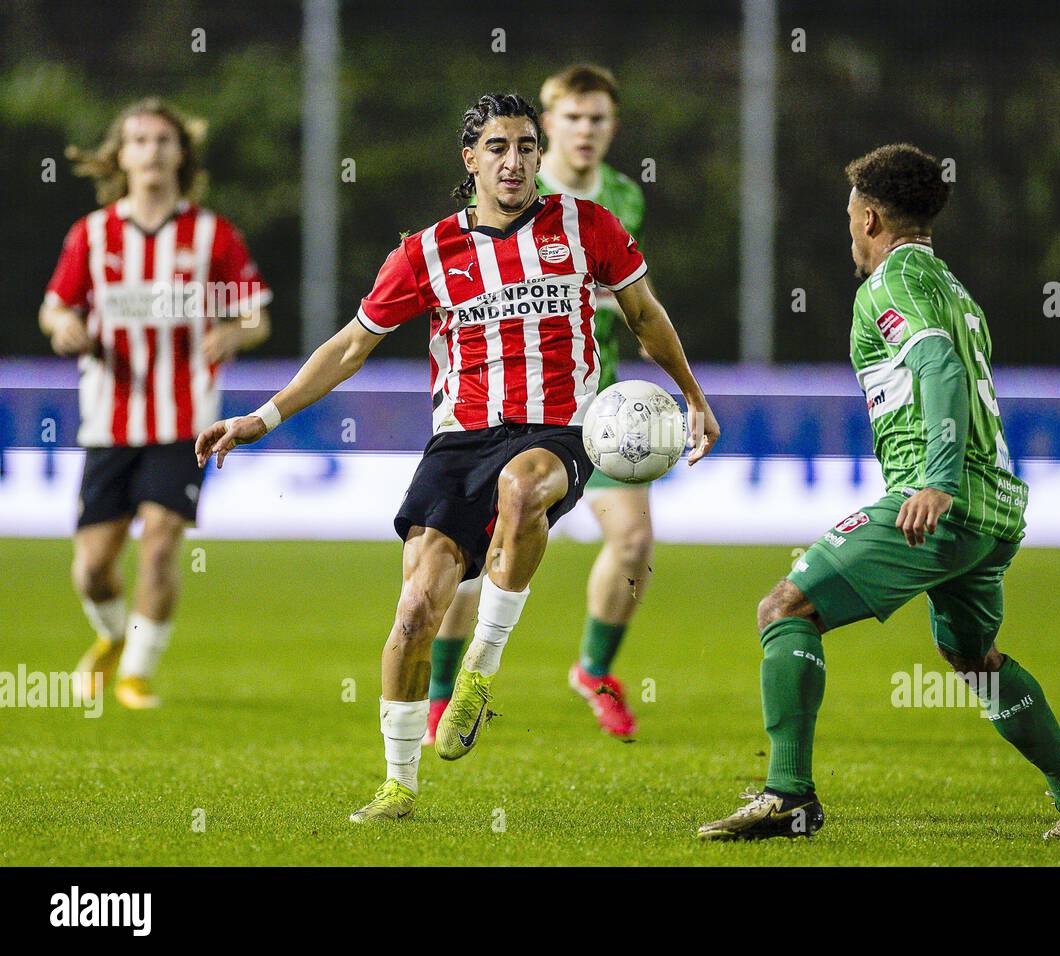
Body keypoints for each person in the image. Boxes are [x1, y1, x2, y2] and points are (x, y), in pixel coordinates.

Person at [195, 93, 719, 823]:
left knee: (521, 488)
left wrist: (691, 393)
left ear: (541, 156)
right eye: (499, 147)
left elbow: (644, 315)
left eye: (528, 147)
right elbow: (350, 345)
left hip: (558, 428)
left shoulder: (587, 226)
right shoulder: (425, 252)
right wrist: (263, 415)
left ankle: (481, 667)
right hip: (457, 441)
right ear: (470, 159)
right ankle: (398, 785)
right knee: (414, 613)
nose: (515, 161)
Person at [698, 144, 1060, 841]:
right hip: (997, 509)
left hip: (944, 499)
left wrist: (937, 480)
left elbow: (940, 368)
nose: (849, 232)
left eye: (851, 217)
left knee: (785, 609)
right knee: (976, 661)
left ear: (870, 217)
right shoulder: (953, 289)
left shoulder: (890, 285)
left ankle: (788, 795)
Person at [425, 65, 653, 742]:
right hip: (502, 407)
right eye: (572, 118)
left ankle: (594, 671)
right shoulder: (516, 185)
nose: (585, 131)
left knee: (635, 542)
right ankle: (444, 694)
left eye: (598, 119)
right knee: (471, 560)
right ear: (546, 125)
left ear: (612, 126)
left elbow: (623, 284)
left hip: (597, 411)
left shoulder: (619, 197)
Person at [42, 97, 271, 710]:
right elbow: (56, 306)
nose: (152, 150)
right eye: (139, 140)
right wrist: (62, 325)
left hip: (186, 417)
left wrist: (235, 330)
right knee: (92, 567)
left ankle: (136, 674)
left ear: (180, 154)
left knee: (163, 539)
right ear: (121, 155)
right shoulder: (92, 235)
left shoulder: (212, 234)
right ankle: (114, 636)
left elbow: (255, 314)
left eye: (163, 140)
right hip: (110, 418)